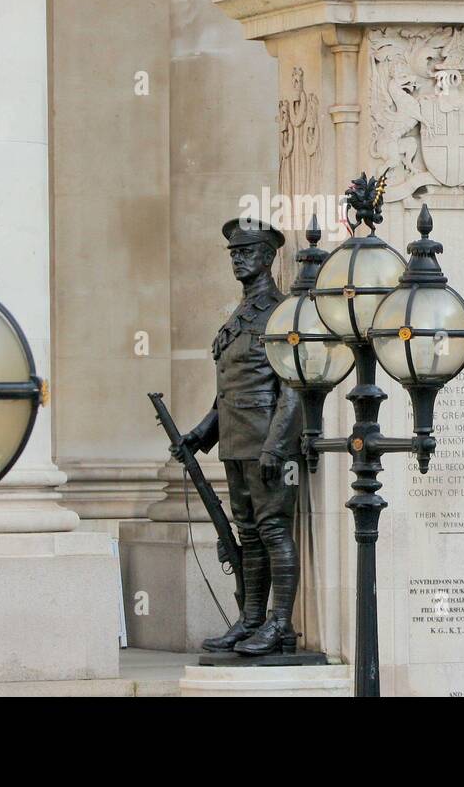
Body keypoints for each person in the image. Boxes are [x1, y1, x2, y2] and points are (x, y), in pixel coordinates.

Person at [172, 218, 303, 655]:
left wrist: (277, 446)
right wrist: (199, 434)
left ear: (268, 257)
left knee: (273, 530)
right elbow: (228, 392)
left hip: (267, 444)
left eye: (246, 252)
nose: (238, 259)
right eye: (233, 253)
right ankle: (250, 620)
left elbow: (292, 387)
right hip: (236, 441)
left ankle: (280, 623)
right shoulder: (242, 313)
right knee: (247, 533)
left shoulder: (280, 313)